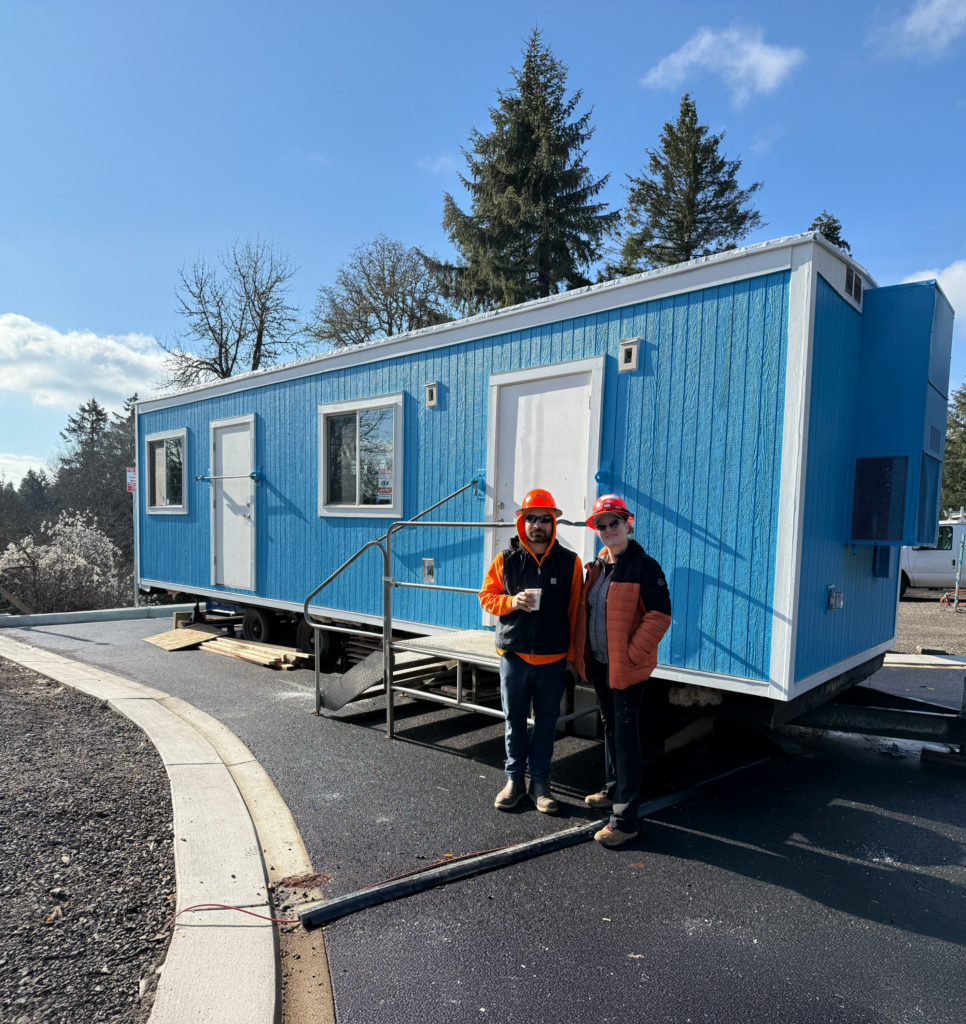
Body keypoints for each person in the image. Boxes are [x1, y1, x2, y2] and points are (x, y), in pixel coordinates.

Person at [573, 495, 672, 847]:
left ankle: (625, 819)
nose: (607, 530)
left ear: (628, 523)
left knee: (627, 736)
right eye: (601, 525)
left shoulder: (645, 566)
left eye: (614, 522)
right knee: (610, 726)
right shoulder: (599, 566)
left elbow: (659, 616)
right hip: (600, 663)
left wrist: (631, 654)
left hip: (627, 668)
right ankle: (611, 788)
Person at [479, 488, 583, 814]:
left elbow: (576, 614)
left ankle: (541, 784)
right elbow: (486, 596)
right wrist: (512, 602)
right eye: (531, 518)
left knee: (547, 722)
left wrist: (572, 658)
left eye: (544, 519)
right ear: (521, 522)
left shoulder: (571, 563)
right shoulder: (505, 560)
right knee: (514, 720)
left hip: (552, 659)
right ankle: (514, 781)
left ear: (554, 523)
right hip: (514, 655)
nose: (537, 524)